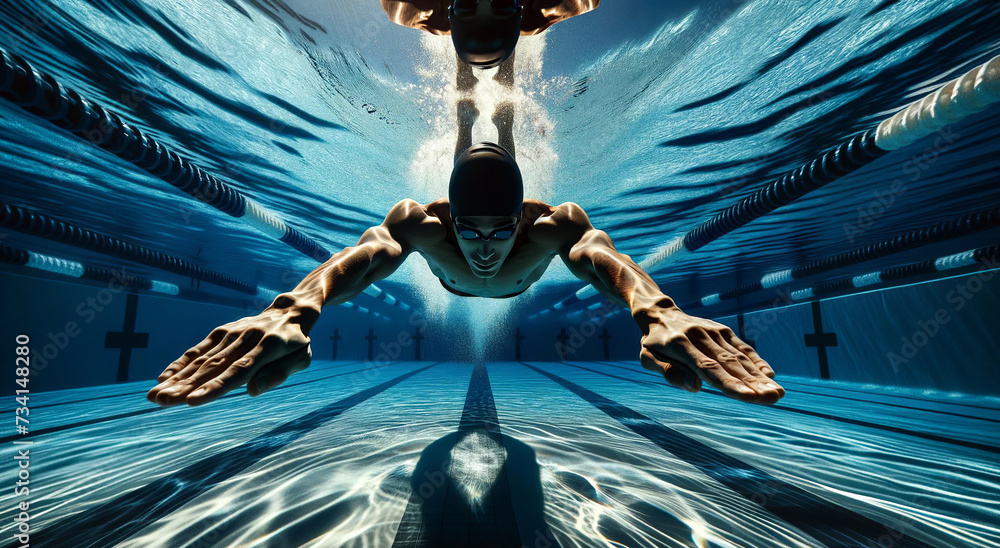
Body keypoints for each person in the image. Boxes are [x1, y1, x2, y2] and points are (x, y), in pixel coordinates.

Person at [148, 143, 784, 408]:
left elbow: (598, 253)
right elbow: (370, 251)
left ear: (520, 219)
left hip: (516, 270)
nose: (483, 249)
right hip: (458, 275)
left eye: (500, 231)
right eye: (469, 231)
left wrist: (658, 312)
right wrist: (291, 311)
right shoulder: (422, 224)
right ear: (450, 220)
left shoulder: (551, 226)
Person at [380, 0, 601, 159]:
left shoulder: (428, 12)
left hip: (459, 20)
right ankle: (494, 111)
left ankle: (472, 115)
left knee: (471, 21)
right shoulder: (537, 13)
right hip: (515, 19)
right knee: (514, 22)